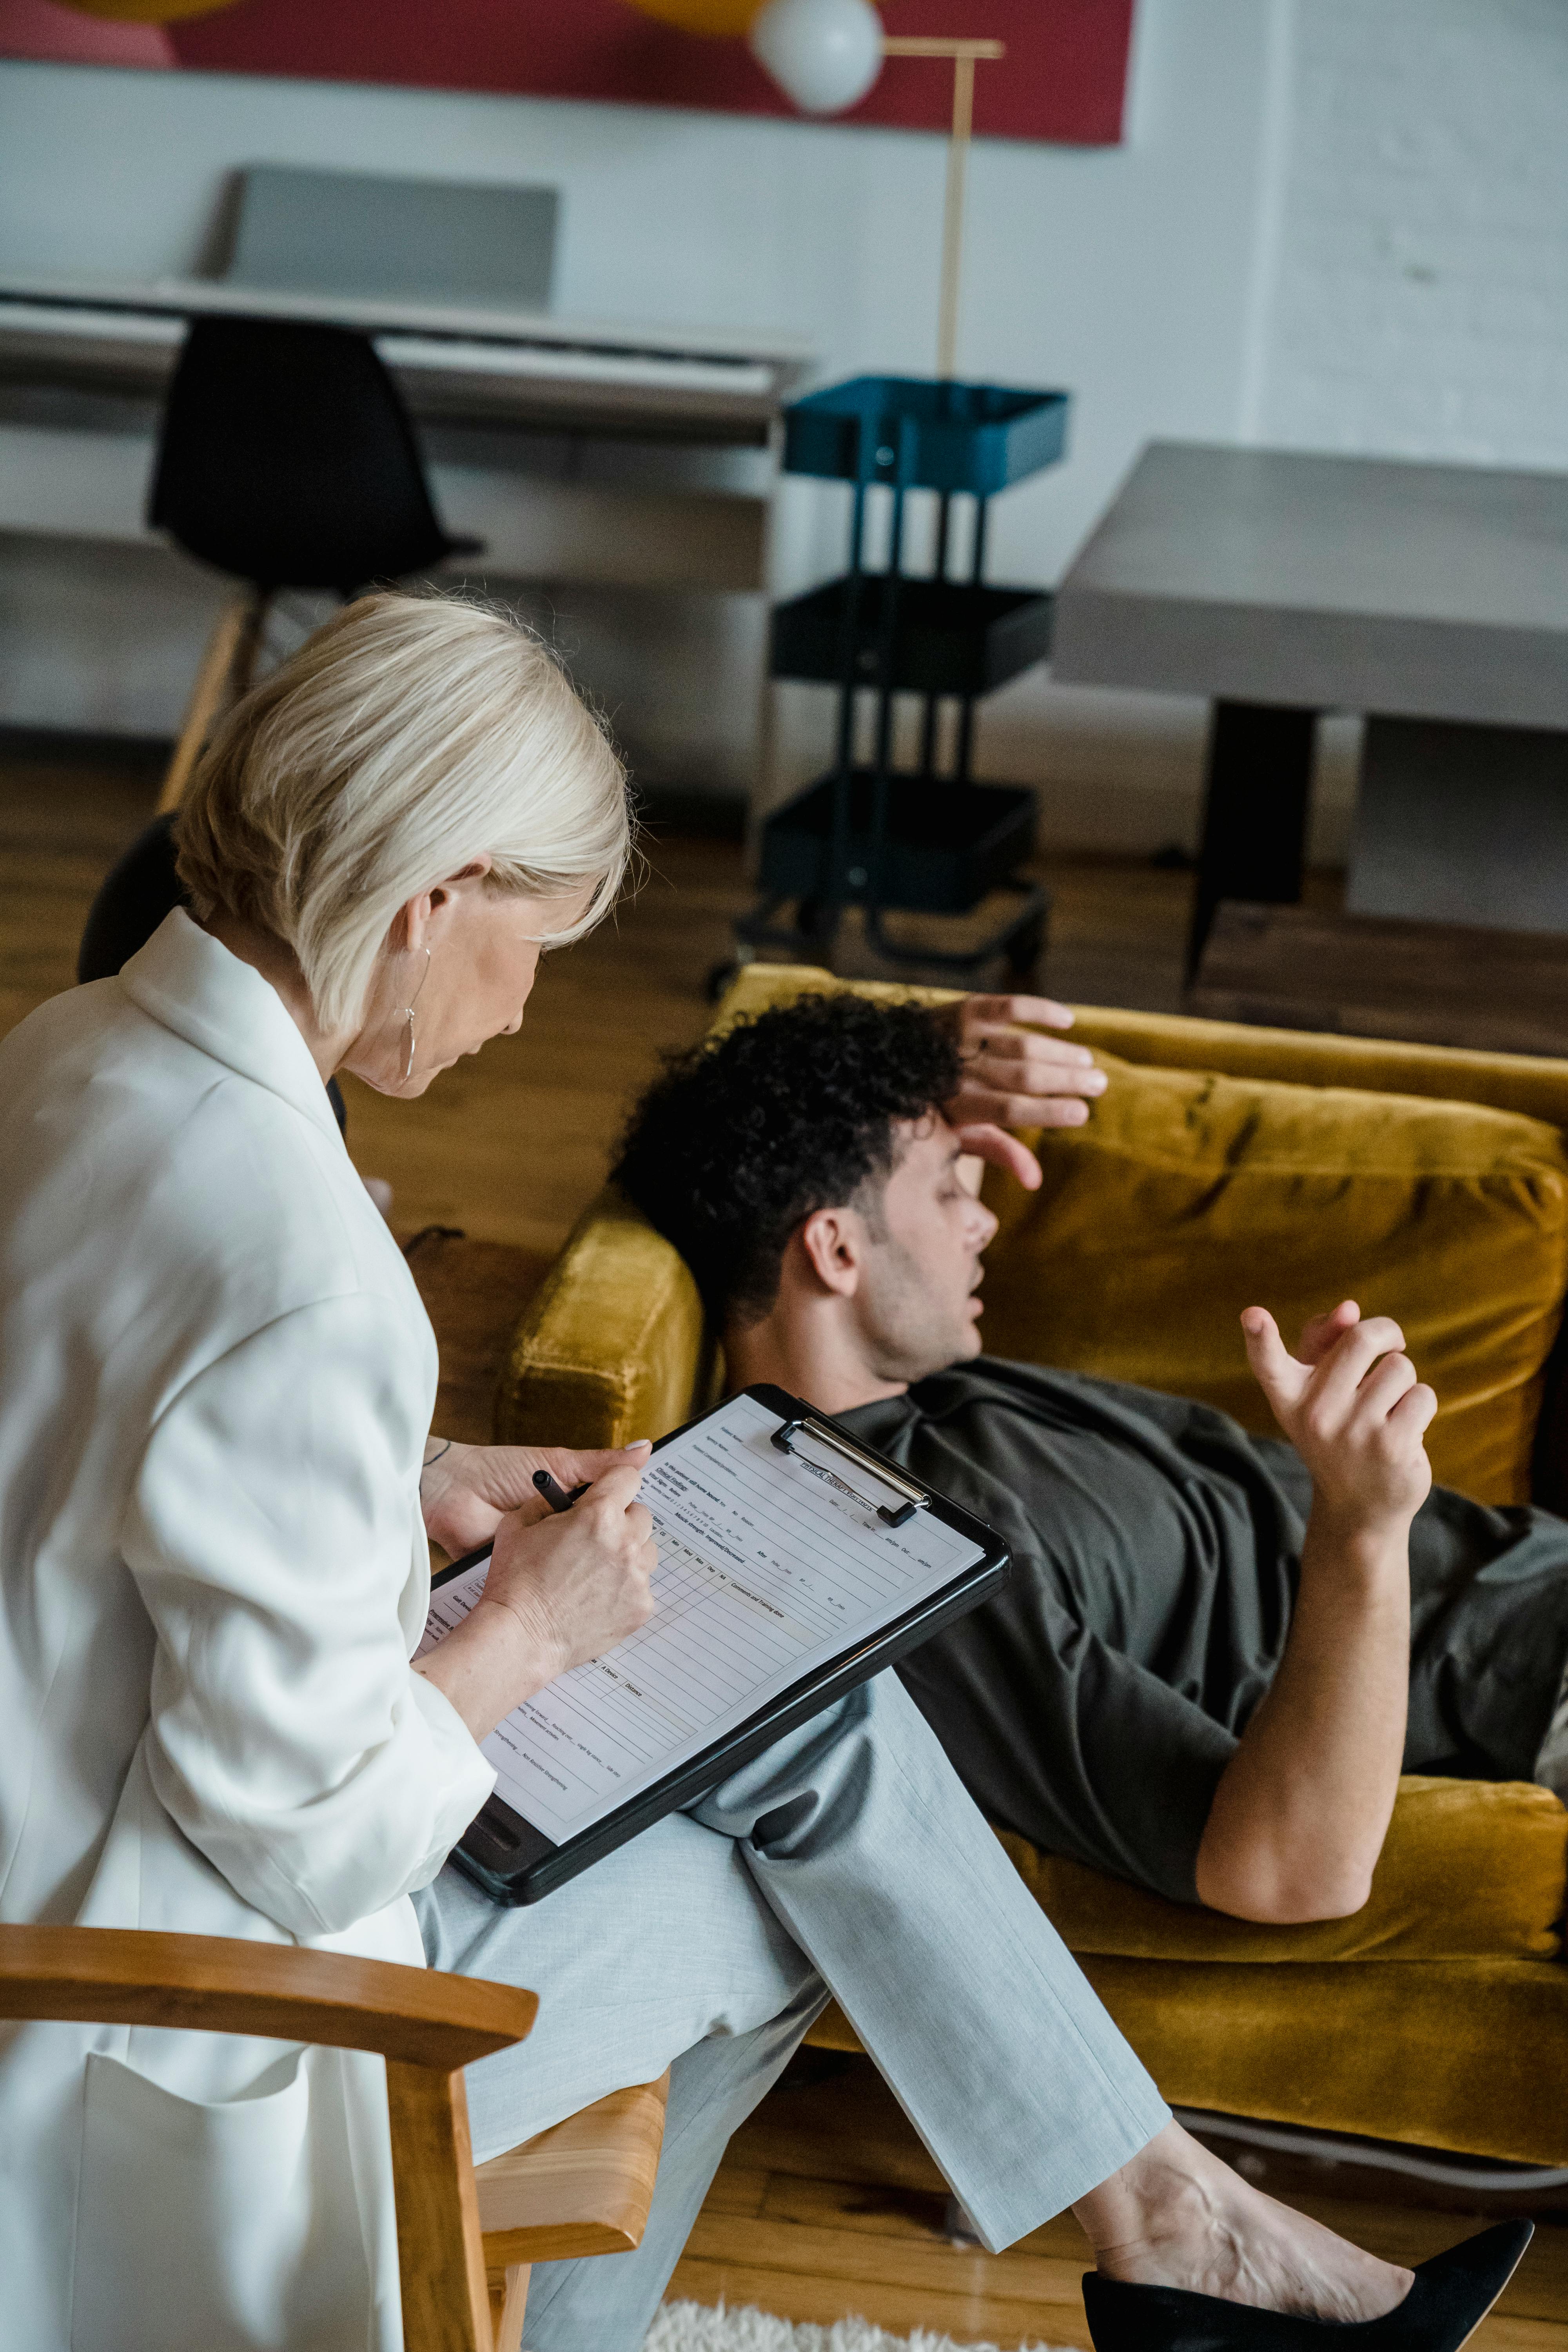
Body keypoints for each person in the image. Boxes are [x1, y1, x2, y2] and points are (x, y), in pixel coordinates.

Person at [0, 592, 1517, 2352]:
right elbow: (306, 1839)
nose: (523, 1010)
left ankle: (1181, 2229)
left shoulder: (65, 1057)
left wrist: (417, 1475)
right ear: (435, 897)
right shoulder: (312, 1271)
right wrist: (532, 1633)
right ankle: (1173, 2235)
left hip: (68, 1855)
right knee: (808, 1888)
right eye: (540, 942)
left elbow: (104, 1440)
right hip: (185, 2024)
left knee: (809, 1730)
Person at [612, 989, 1568, 1926]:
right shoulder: (902, 1556)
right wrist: (1362, 1527)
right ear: (835, 1250)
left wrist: (914, 1074)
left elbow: (800, 1143)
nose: (982, 1218)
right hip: (1530, 1690)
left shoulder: (937, 1394)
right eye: (948, 1188)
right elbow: (1285, 1873)